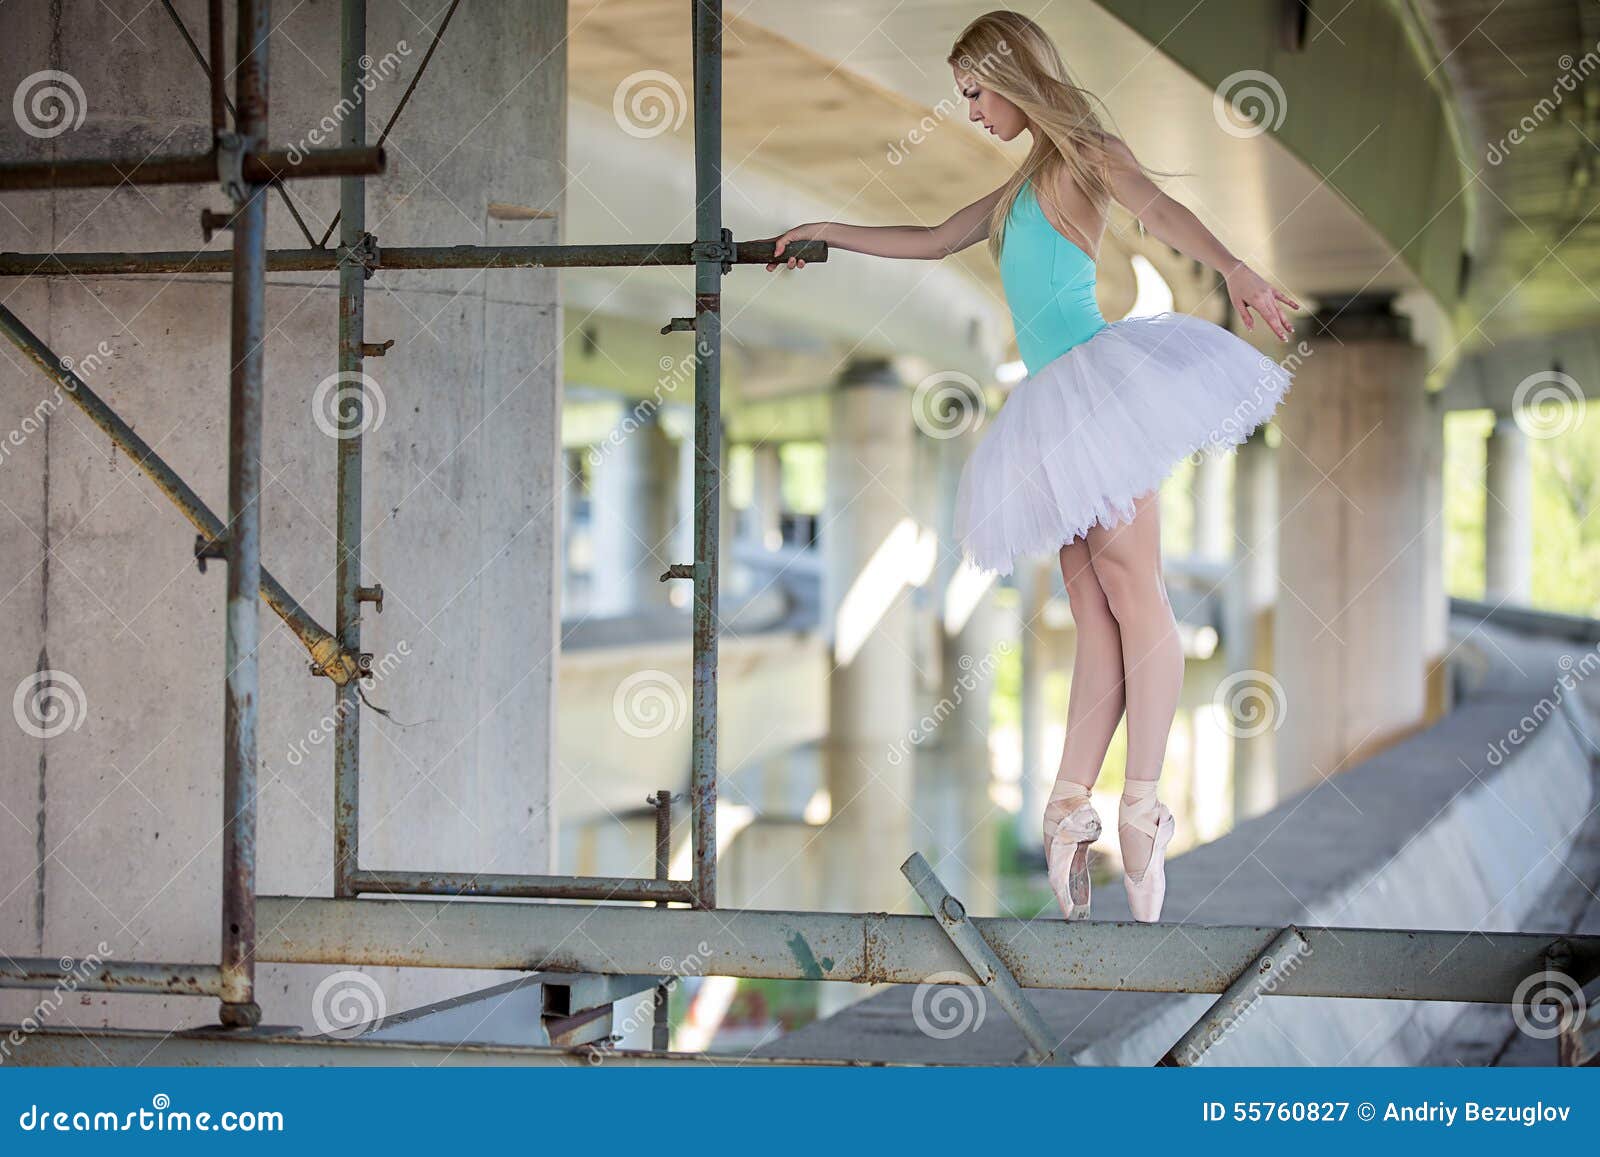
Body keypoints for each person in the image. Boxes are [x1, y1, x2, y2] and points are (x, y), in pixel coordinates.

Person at [760, 9, 1298, 923]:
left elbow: (1158, 210)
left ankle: (1142, 806)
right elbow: (932, 237)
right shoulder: (1019, 189)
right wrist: (827, 231)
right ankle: (1067, 803)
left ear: (1011, 76)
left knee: (1139, 601)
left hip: (1094, 390)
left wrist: (1238, 268)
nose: (969, 111)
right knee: (1091, 608)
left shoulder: (1085, 152)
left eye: (975, 92)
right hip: (1056, 406)